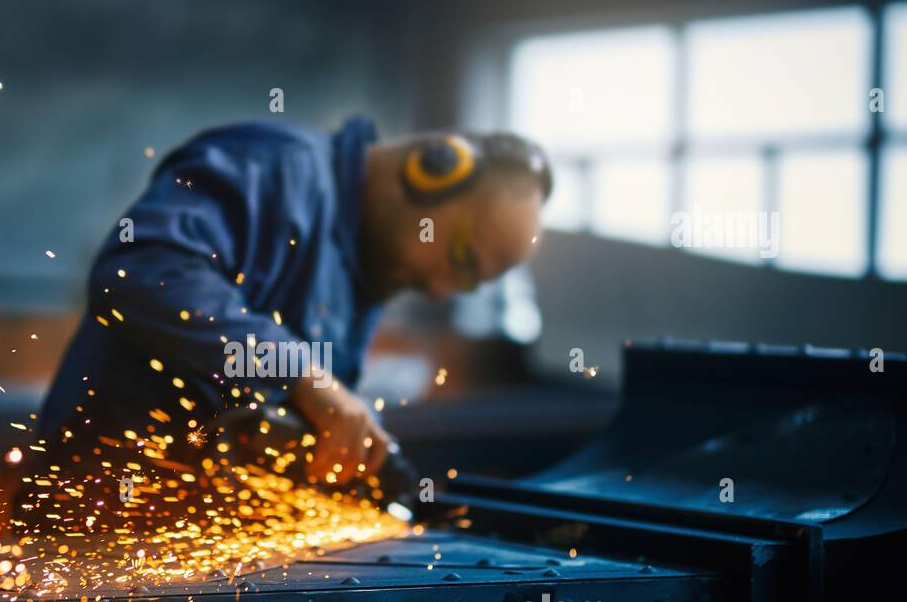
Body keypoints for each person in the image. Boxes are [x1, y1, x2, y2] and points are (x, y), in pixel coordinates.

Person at [39, 115, 551, 487]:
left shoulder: (366, 272)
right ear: (434, 171)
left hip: (209, 556)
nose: (440, 290)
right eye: (462, 259)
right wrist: (304, 375)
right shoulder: (274, 168)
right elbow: (141, 272)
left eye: (469, 284)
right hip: (97, 522)